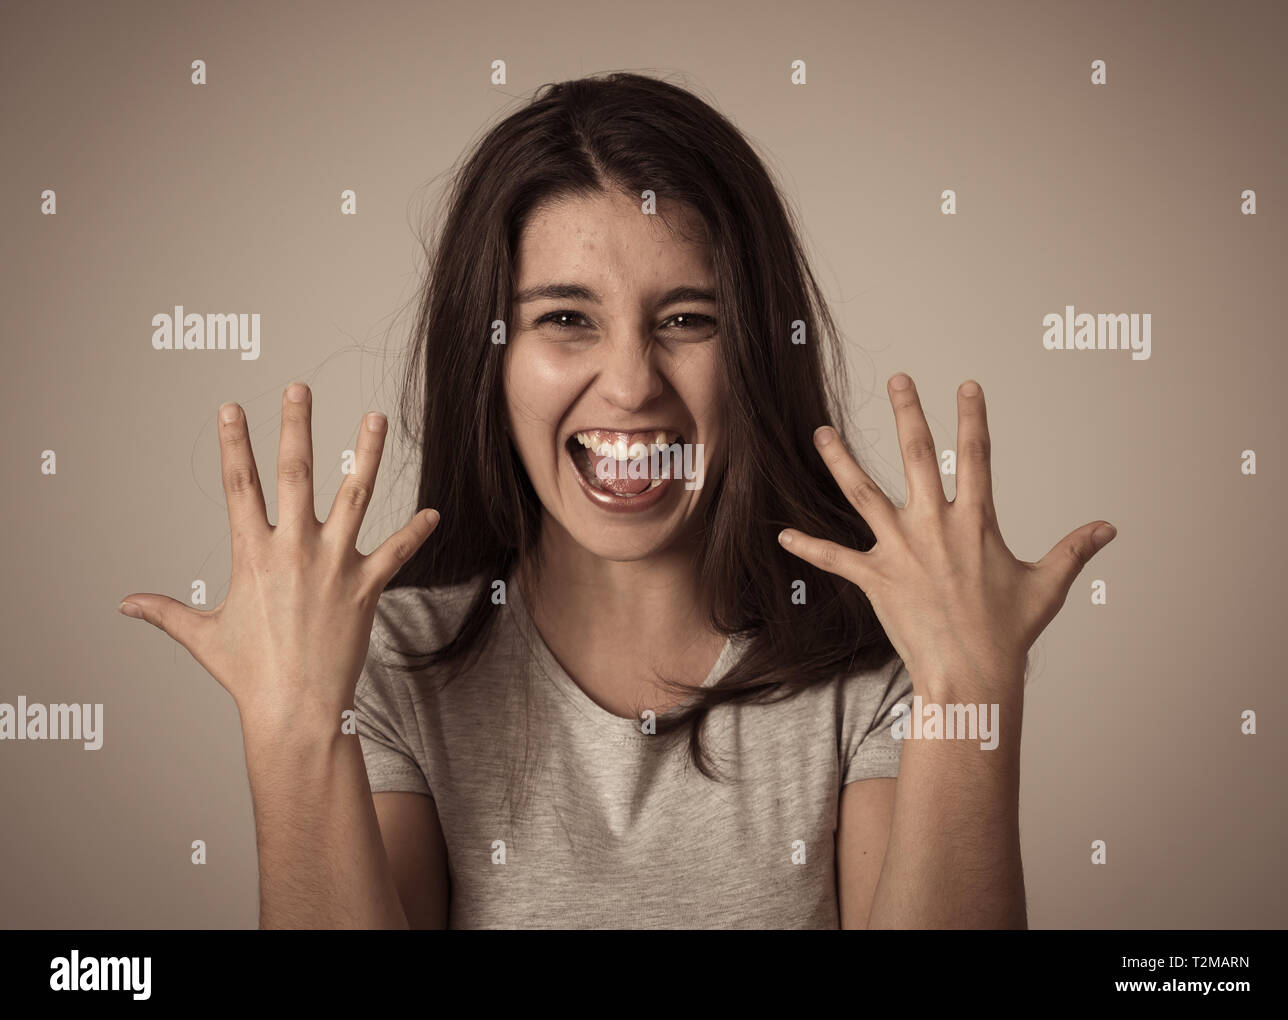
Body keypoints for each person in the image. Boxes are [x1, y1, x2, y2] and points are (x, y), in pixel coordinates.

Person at [119, 72, 1116, 929]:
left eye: (685, 318)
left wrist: (970, 692)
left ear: (759, 353)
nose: (632, 381)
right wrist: (296, 729)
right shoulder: (388, 665)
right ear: (490, 360)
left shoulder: (876, 668)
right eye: (565, 318)